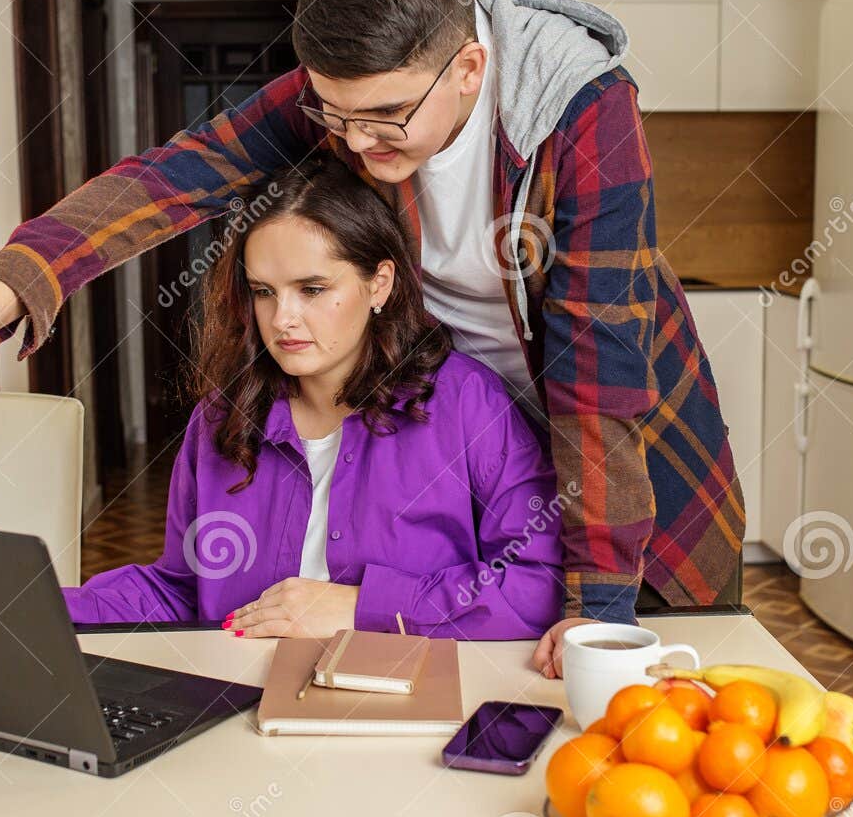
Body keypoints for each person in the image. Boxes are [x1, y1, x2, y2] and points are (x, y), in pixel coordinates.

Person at [0, 0, 745, 672]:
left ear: (470, 69)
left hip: (627, 472)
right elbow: (168, 181)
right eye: (336, 118)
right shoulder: (350, 91)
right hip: (470, 430)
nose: (360, 145)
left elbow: (598, 369)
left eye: (387, 119)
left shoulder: (581, 108)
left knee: (639, 723)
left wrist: (596, 606)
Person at [63, 158, 563, 640]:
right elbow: (181, 590)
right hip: (242, 702)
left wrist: (358, 606)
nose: (282, 319)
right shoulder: (221, 416)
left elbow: (533, 589)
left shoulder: (469, 406)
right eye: (264, 291)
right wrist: (36, 606)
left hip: (404, 707)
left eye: (313, 289)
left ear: (379, 284)